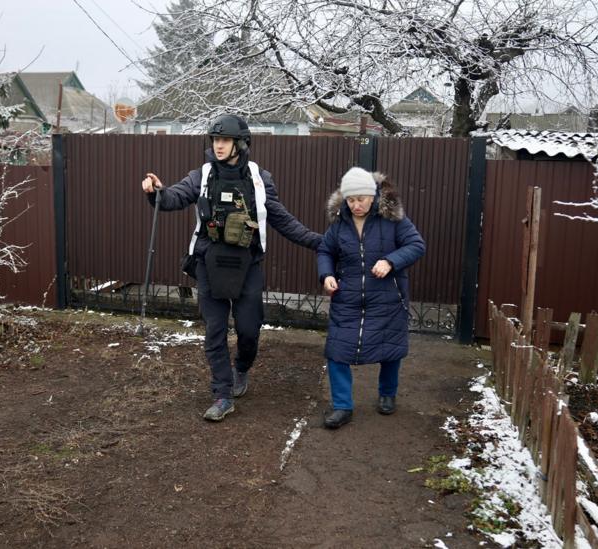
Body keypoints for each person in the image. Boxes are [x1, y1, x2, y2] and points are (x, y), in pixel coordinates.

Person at [140, 114, 322, 422]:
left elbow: (281, 218)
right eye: (215, 140)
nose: (218, 145)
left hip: (247, 264)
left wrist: (320, 242)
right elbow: (174, 197)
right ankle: (222, 395)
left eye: (224, 140)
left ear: (240, 143)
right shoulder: (202, 175)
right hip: (209, 263)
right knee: (215, 331)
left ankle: (241, 369)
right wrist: (156, 191)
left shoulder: (259, 178)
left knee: (249, 330)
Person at [316, 167, 426, 429]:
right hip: (348, 297)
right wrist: (326, 274)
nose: (356, 205)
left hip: (387, 296)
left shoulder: (392, 219)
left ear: (373, 195)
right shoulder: (339, 223)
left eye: (361, 199)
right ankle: (342, 406)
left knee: (389, 350)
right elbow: (325, 250)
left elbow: (416, 245)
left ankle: (387, 393)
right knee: (337, 350)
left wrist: (391, 261)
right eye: (351, 200)